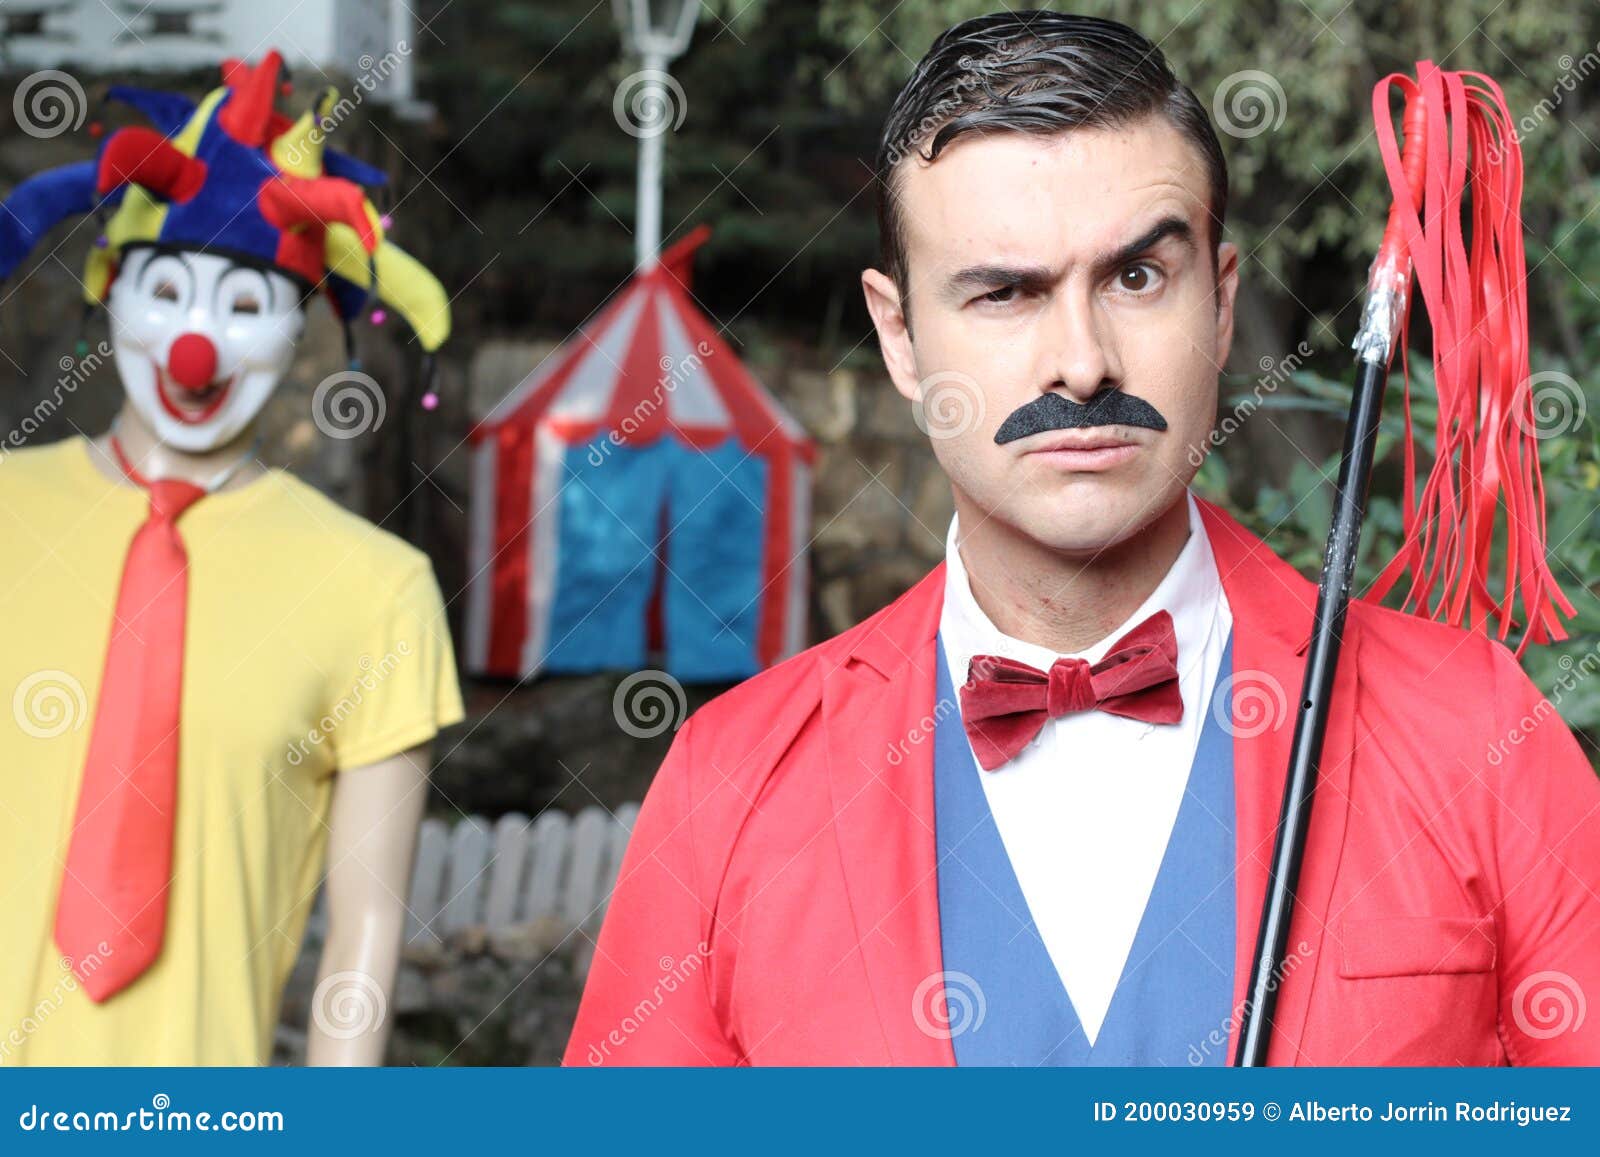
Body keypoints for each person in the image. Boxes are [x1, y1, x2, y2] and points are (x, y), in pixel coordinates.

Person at [565, 11, 1600, 1066]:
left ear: (1221, 301)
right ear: (900, 336)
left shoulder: (1473, 733)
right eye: (1004, 291)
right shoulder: (728, 785)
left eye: (1137, 278)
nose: (1082, 362)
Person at [0, 51, 462, 1065]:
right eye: (167, 291)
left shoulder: (378, 589)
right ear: (111, 295)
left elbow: (364, 936)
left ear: (298, 331)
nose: (197, 345)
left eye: (247, 307)